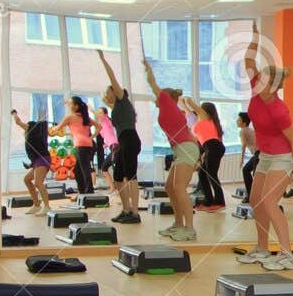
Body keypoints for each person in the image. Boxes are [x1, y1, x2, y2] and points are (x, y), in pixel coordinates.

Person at [236, 24, 293, 271]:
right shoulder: (256, 91)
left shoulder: (279, 109)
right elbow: (248, 59)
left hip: (283, 157)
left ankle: (287, 254)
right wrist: (255, 38)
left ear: (273, 86)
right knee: (256, 200)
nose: (258, 82)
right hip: (265, 156)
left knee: (269, 201)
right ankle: (262, 248)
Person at [141, 58, 199, 241]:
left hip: (187, 149)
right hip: (181, 150)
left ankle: (189, 228)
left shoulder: (167, 103)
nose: (154, 98)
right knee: (170, 187)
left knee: (179, 187)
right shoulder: (167, 109)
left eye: (158, 96)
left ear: (164, 97)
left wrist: (148, 70)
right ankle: (179, 224)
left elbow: (153, 84)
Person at [96, 51, 142, 224]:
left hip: (129, 139)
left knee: (130, 176)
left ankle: (135, 213)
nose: (107, 95)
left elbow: (112, 77)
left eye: (109, 92)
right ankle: (126, 209)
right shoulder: (117, 107)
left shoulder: (122, 100)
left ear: (116, 92)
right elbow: (105, 100)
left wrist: (103, 60)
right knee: (118, 176)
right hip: (122, 141)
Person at [183, 97, 227, 212]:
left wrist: (186, 99)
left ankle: (220, 202)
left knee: (211, 175)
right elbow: (187, 110)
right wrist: (182, 102)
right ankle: (209, 201)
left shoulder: (206, 117)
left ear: (205, 111)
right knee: (202, 174)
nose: (199, 111)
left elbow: (191, 104)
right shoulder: (201, 120)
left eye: (201, 109)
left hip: (213, 147)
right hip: (210, 147)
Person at [51, 95, 96, 195]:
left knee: (84, 169)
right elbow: (99, 126)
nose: (69, 106)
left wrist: (51, 129)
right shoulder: (84, 117)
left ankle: (88, 192)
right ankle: (82, 192)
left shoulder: (70, 117)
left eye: (70, 104)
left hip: (81, 146)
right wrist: (91, 137)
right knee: (77, 170)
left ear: (76, 106)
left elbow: (58, 128)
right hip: (88, 145)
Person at [10, 109, 52, 214]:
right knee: (27, 179)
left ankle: (47, 207)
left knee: (38, 183)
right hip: (37, 161)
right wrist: (31, 165)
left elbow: (18, 122)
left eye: (27, 127)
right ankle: (37, 205)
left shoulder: (32, 131)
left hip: (42, 159)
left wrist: (14, 113)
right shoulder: (33, 134)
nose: (25, 128)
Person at [237, 111, 258, 205]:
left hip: (259, 154)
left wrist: (241, 159)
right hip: (260, 153)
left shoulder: (242, 131)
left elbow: (243, 145)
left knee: (246, 170)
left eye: (238, 120)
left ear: (244, 122)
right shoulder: (250, 130)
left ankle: (251, 197)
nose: (237, 121)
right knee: (251, 172)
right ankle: (252, 195)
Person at [93, 105, 114, 190]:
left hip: (115, 147)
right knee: (104, 168)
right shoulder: (101, 125)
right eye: (98, 113)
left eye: (101, 113)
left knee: (109, 167)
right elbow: (107, 136)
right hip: (111, 147)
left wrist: (90, 108)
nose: (99, 114)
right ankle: (112, 187)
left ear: (106, 114)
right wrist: (105, 145)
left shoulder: (107, 121)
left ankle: (116, 188)